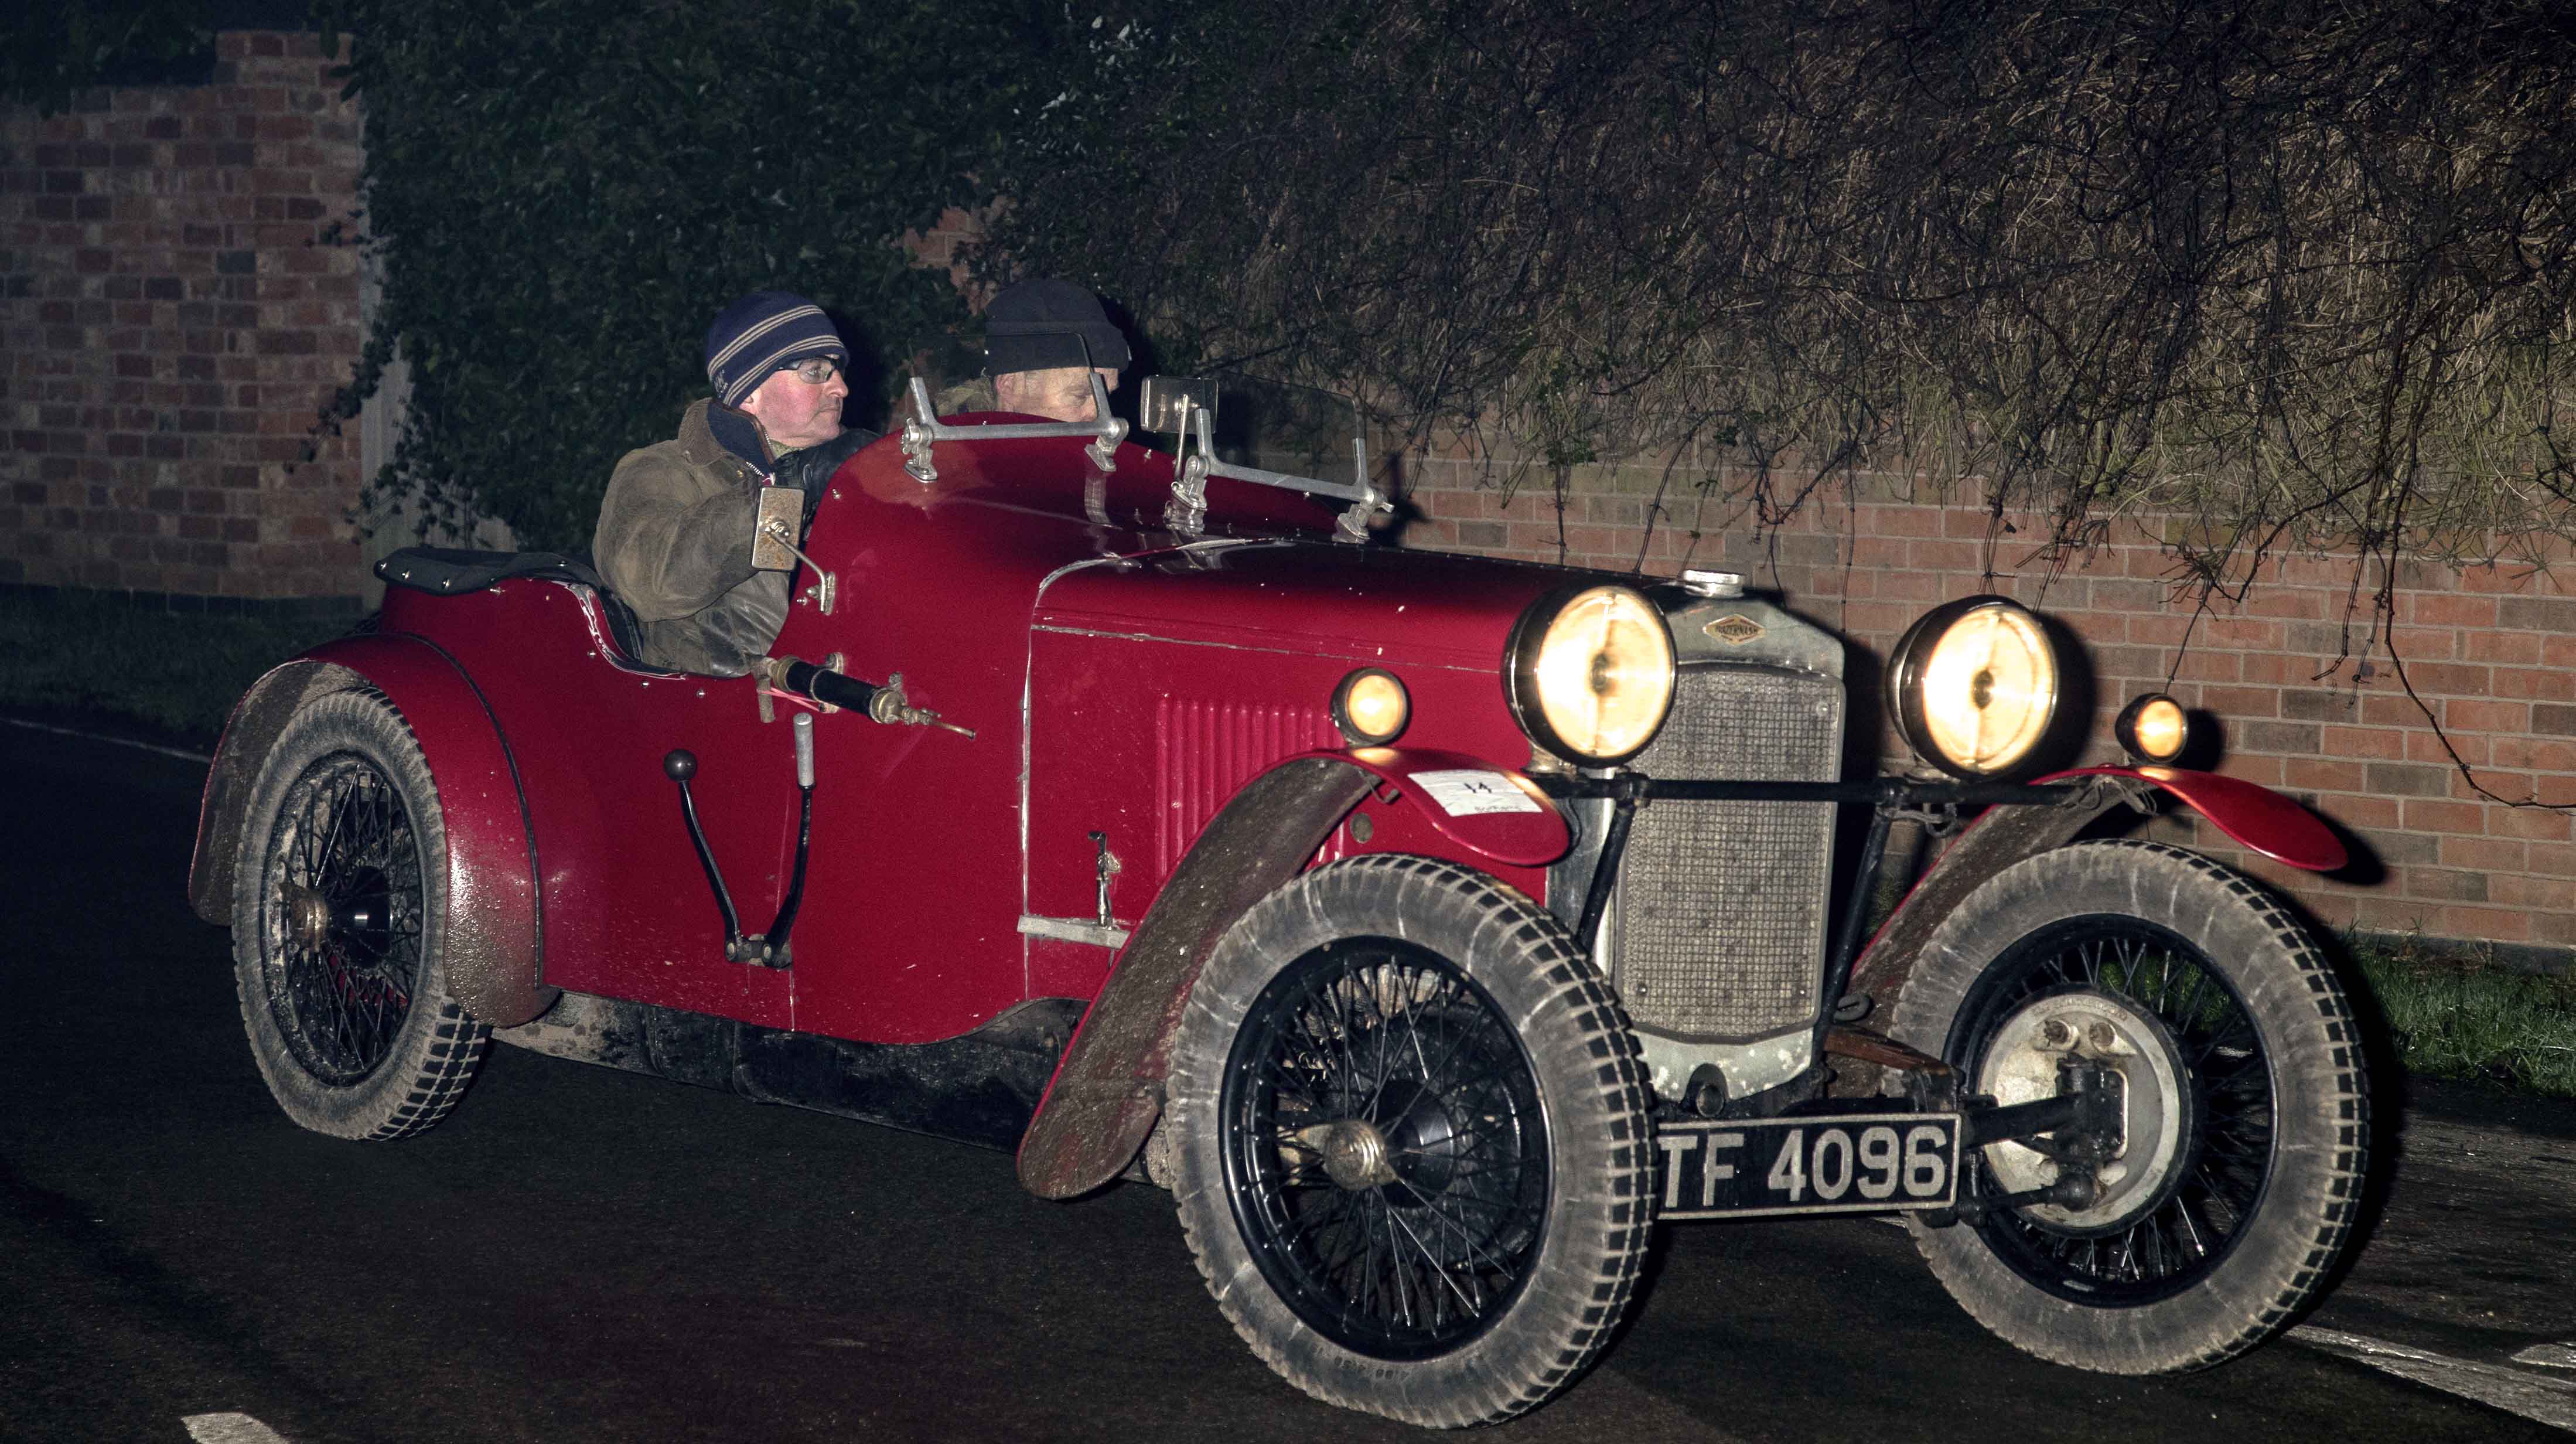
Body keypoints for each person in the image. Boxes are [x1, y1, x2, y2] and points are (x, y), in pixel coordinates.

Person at [593, 291, 874, 676]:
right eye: (814, 372)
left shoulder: (862, 466)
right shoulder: (664, 470)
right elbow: (646, 584)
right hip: (725, 713)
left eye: (838, 371)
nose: (840, 388)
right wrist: (787, 490)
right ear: (750, 394)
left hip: (860, 696)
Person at [936, 278, 1132, 423]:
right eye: (1080, 396)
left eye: (1106, 398)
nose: (1103, 420)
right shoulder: (949, 463)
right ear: (1010, 386)